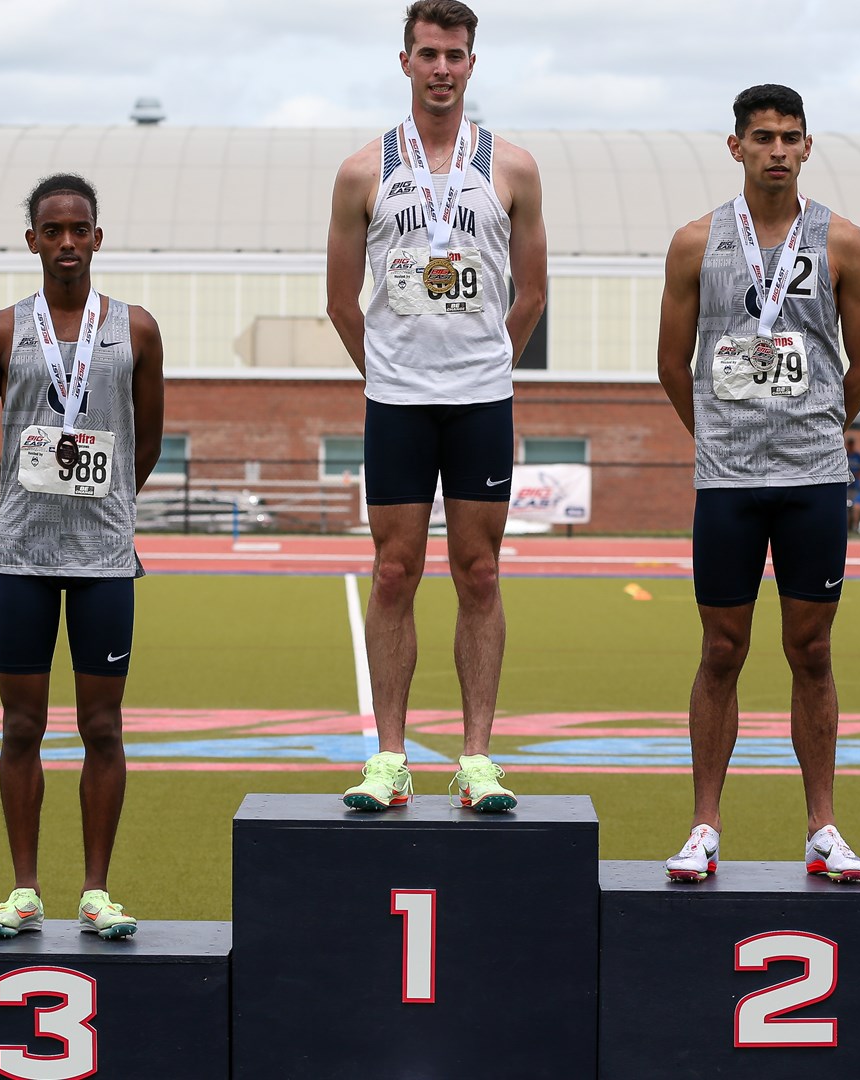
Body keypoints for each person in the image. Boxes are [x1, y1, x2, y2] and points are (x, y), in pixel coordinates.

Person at [656, 83, 860, 885]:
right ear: (736, 148)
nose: (777, 150)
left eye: (790, 137)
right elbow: (669, 365)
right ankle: (704, 827)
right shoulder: (695, 243)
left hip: (813, 479)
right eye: (763, 138)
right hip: (727, 483)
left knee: (810, 649)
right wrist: (721, 438)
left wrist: (819, 427)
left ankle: (823, 828)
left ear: (808, 147)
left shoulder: (843, 243)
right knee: (722, 648)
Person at [324, 0, 546, 813]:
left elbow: (533, 292)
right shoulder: (362, 170)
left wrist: (488, 367)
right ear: (406, 61)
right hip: (399, 403)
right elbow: (342, 301)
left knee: (479, 571)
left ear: (473, 63)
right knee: (393, 570)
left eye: (455, 54)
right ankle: (389, 757)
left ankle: (477, 757)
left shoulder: (514, 168)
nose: (442, 68)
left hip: (481, 400)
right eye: (428, 53)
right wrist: (388, 374)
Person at [0, 173, 166, 940]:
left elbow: (146, 442)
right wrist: (18, 504)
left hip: (105, 559)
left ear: (98, 238)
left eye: (80, 229)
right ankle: (24, 890)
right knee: (21, 726)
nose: (68, 243)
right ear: (33, 242)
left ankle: (95, 891)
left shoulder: (135, 330)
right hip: (22, 557)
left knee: (103, 726)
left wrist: (107, 501)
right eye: (54, 231)